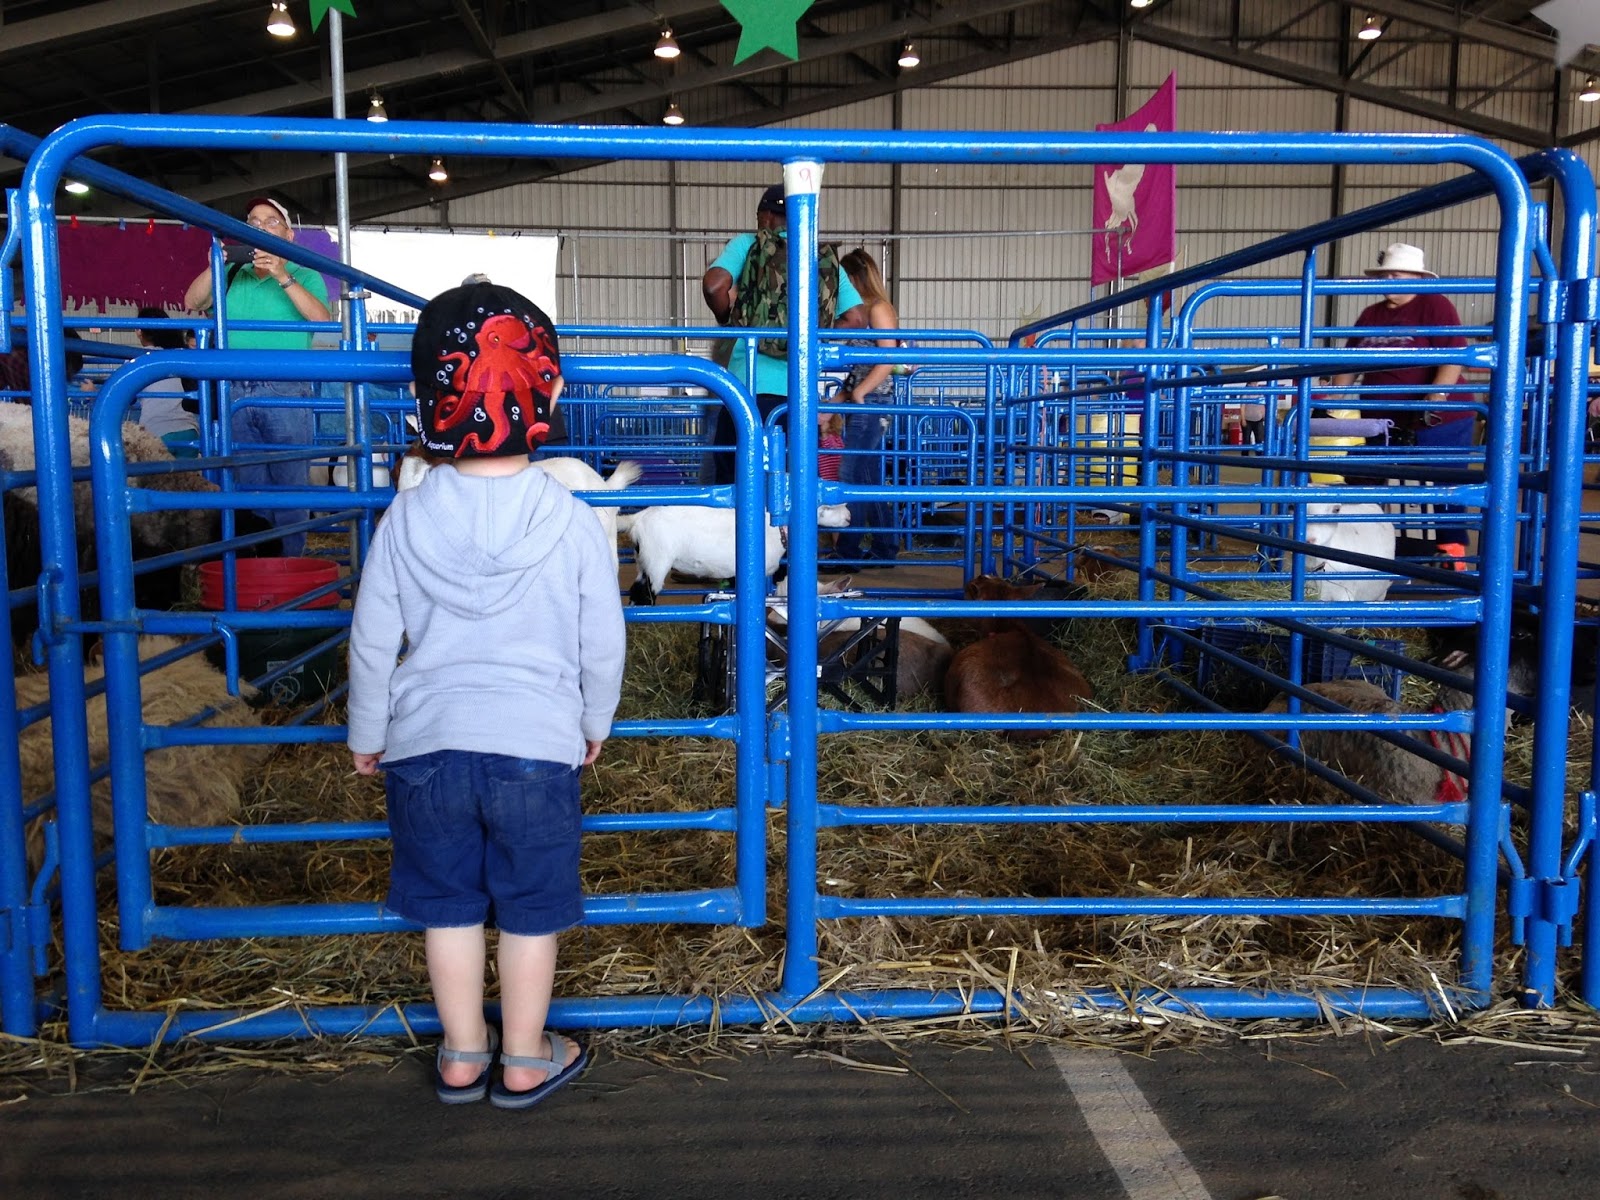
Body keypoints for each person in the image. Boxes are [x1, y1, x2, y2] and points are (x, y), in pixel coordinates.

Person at [346, 281, 625, 1109]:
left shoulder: (403, 518)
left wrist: (369, 733)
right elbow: (602, 639)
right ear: (553, 392)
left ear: (426, 402)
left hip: (424, 749)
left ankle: (464, 1051)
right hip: (537, 750)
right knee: (532, 911)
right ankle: (527, 1056)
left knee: (450, 908)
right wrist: (593, 720)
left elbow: (370, 640)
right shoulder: (574, 519)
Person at [183, 197, 332, 556]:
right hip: (234, 386)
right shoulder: (233, 274)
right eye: (253, 221)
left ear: (289, 235)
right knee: (249, 485)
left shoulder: (306, 272)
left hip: (285, 387)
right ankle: (258, 568)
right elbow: (193, 301)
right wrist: (214, 267)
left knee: (290, 483)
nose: (261, 227)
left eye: (271, 221)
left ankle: (291, 567)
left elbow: (324, 322)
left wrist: (283, 275)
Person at [701, 184, 867, 485]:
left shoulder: (747, 244)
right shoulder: (820, 257)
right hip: (800, 391)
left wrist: (728, 319)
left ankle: (744, 532)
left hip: (746, 386)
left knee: (735, 482)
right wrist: (810, 337)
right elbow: (856, 317)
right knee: (795, 485)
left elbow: (714, 286)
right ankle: (790, 533)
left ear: (765, 216)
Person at [1327, 241, 1471, 561]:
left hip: (1437, 418)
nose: (1391, 279)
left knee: (1445, 482)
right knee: (1361, 472)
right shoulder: (1371, 315)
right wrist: (1331, 397)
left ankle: (1454, 553)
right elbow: (1350, 362)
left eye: (1398, 273)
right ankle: (1360, 541)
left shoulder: (1434, 305)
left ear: (1418, 277)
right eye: (1387, 274)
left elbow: (1454, 354)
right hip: (1382, 418)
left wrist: (1437, 398)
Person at [825, 247, 899, 570]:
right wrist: (834, 403)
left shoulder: (879, 309)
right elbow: (855, 373)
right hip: (863, 401)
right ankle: (885, 546)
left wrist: (860, 394)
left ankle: (849, 552)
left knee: (850, 473)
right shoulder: (861, 313)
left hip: (874, 402)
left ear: (856, 278)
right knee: (867, 478)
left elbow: (889, 357)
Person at [134, 306, 200, 451]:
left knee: (154, 473)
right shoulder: (183, 355)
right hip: (189, 431)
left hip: (155, 433)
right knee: (189, 473)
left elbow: (126, 398)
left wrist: (93, 392)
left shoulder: (136, 360)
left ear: (140, 332)